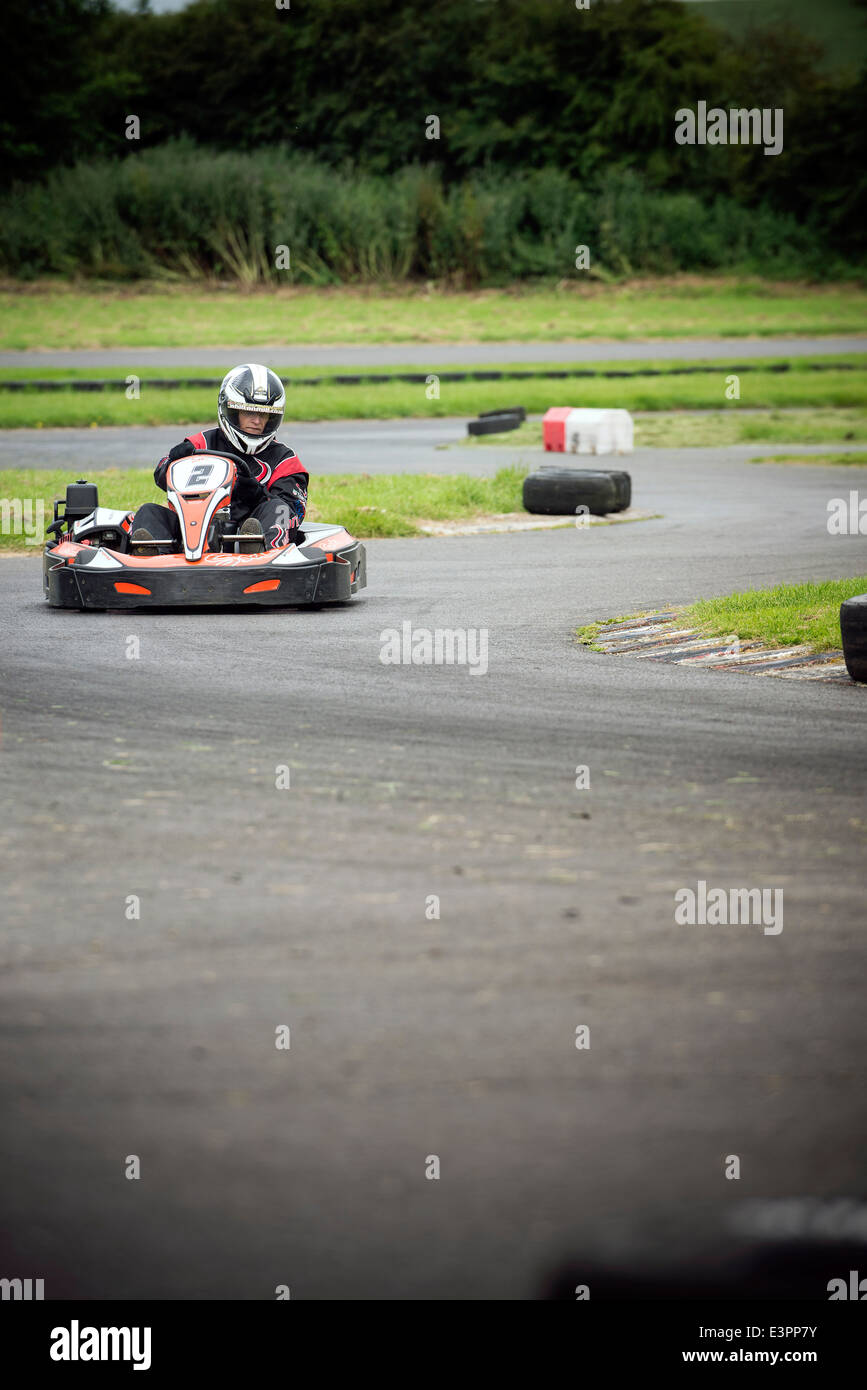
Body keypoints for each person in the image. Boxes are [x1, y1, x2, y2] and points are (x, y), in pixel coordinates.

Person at [130, 364, 307, 554]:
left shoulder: (284, 460)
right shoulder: (201, 443)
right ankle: (149, 559)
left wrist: (256, 494)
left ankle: (259, 552)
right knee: (148, 511)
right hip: (190, 529)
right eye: (249, 412)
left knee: (277, 508)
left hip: (247, 534)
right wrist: (172, 462)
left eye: (263, 414)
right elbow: (161, 474)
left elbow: (291, 512)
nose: (257, 421)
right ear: (230, 410)